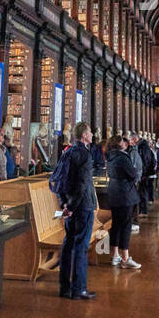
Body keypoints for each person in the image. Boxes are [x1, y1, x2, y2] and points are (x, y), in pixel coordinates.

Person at [58, 121, 97, 300]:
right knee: (81, 246)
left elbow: (59, 180)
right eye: (90, 132)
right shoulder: (85, 155)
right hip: (83, 207)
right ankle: (79, 288)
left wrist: (65, 205)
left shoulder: (67, 152)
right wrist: (72, 206)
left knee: (68, 245)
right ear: (84, 136)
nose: (92, 134)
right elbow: (82, 185)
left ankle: (65, 287)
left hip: (71, 206)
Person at [105, 134, 141, 270]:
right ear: (118, 144)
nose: (125, 143)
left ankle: (115, 255)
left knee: (116, 224)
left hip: (114, 192)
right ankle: (125, 258)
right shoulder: (122, 157)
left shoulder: (110, 156)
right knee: (126, 225)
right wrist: (135, 173)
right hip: (125, 194)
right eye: (123, 141)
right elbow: (132, 174)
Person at [136, 132, 156, 215]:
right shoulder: (144, 146)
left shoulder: (143, 147)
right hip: (144, 173)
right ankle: (142, 210)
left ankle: (143, 210)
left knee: (142, 192)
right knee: (142, 192)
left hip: (144, 174)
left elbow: (146, 161)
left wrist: (143, 173)